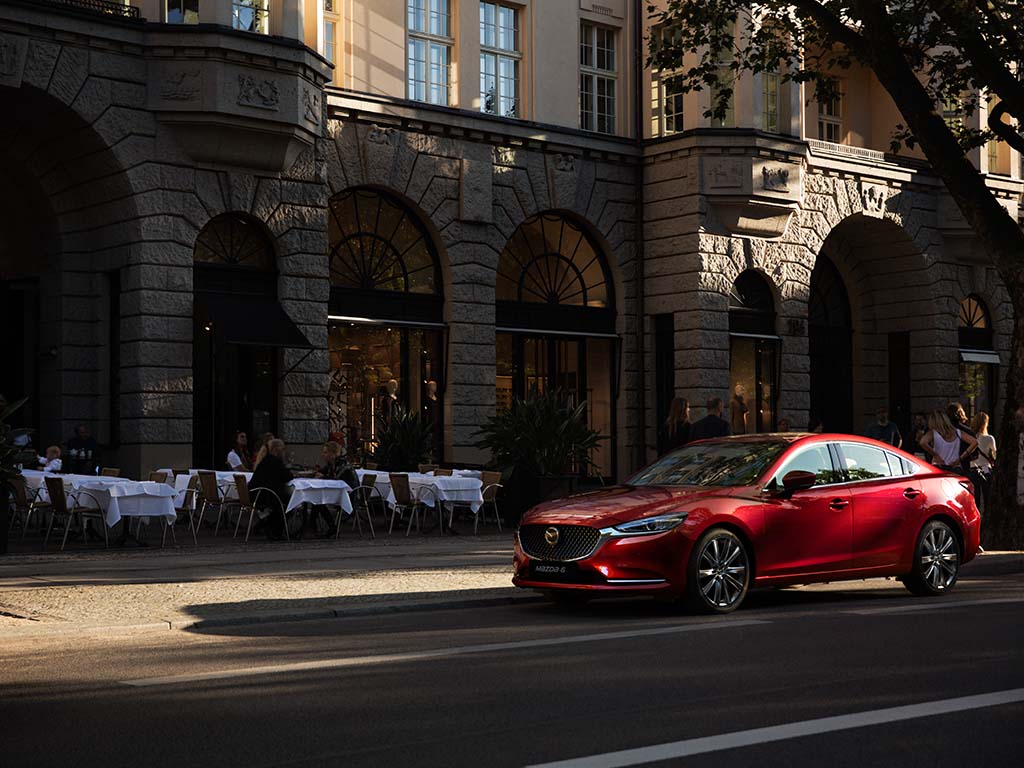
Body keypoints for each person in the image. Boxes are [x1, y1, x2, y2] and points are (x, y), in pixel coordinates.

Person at [248, 438, 293, 540]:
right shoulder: (275, 461)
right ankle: (276, 531)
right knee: (291, 502)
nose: (284, 452)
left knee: (284, 500)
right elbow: (287, 476)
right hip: (265, 496)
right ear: (276, 450)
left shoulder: (265, 460)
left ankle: (267, 525)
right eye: (283, 449)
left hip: (256, 495)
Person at [970, 412, 997, 513]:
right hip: (986, 469)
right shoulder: (989, 438)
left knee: (975, 498)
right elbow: (994, 455)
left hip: (972, 469)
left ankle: (976, 518)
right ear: (985, 423)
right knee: (987, 496)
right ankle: (987, 517)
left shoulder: (969, 438)